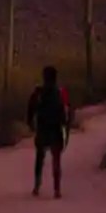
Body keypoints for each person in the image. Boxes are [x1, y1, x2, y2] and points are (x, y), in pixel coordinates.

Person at [26, 65, 71, 198]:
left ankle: (37, 185)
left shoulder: (38, 92)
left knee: (40, 158)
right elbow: (67, 112)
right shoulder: (61, 92)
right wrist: (66, 129)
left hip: (42, 129)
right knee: (56, 159)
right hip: (56, 129)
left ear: (44, 77)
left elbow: (30, 110)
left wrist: (30, 124)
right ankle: (57, 189)